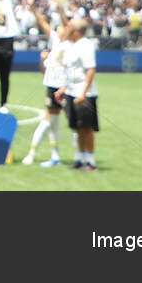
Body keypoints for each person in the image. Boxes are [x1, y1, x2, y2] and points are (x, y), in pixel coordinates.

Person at [22, 0, 66, 167]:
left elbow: (64, 22)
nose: (58, 28)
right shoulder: (55, 42)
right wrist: (33, 7)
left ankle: (79, 157)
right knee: (51, 121)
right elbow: (42, 22)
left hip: (67, 87)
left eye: (61, 27)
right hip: (53, 87)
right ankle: (49, 155)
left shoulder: (68, 44)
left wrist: (60, 7)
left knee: (57, 122)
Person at [56, 18, 99, 172]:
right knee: (77, 128)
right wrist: (64, 88)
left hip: (84, 94)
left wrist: (83, 93)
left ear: (77, 31)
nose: (65, 28)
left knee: (87, 128)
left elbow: (90, 70)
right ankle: (80, 158)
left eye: (69, 26)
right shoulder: (68, 46)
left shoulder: (85, 45)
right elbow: (70, 72)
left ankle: (91, 161)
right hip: (71, 92)